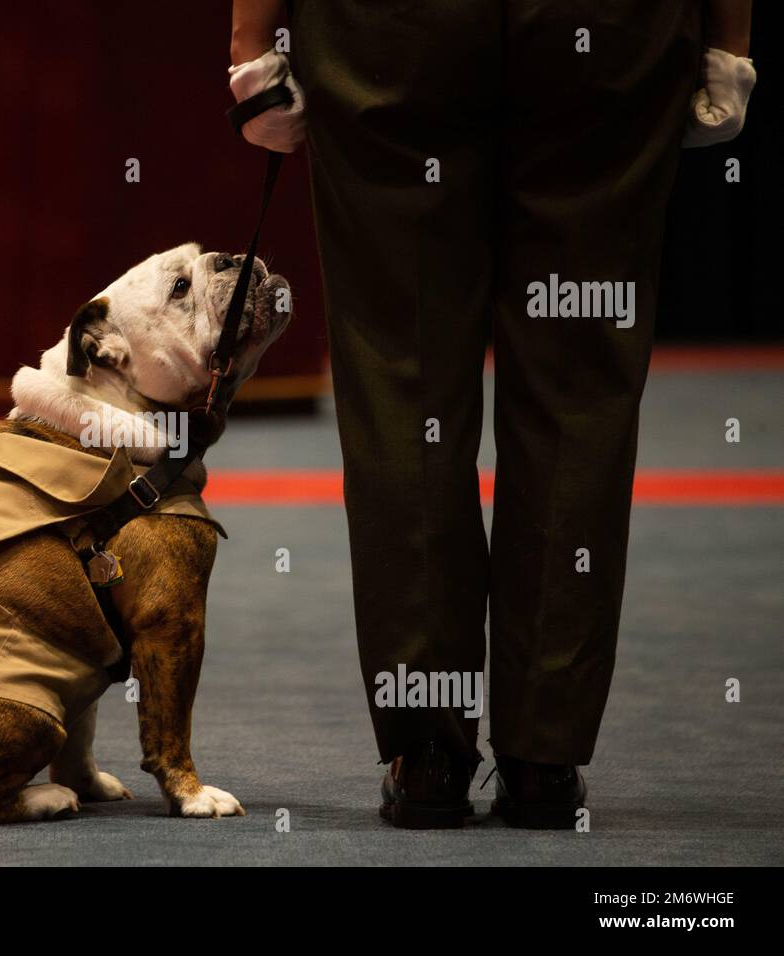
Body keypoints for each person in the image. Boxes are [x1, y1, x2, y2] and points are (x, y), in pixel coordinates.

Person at [228, 0, 756, 828]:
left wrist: (251, 39)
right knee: (578, 381)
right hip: (604, 31)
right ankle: (544, 755)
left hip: (394, 33)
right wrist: (730, 36)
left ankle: (429, 752)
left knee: (402, 375)